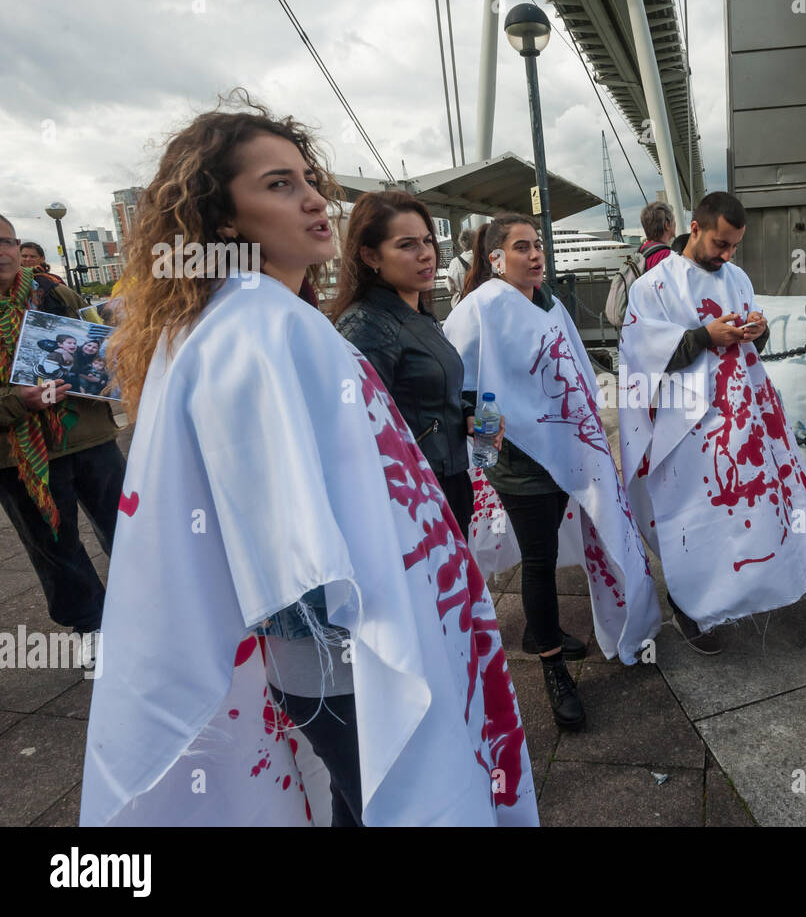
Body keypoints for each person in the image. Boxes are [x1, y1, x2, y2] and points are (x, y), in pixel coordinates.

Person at [81, 91, 536, 827]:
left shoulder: (242, 317)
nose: (313, 199)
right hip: (351, 663)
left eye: (307, 178)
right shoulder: (255, 327)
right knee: (404, 803)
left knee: (357, 805)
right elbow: (281, 544)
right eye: (278, 184)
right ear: (223, 218)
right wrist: (382, 637)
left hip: (335, 660)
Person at [445, 214, 660, 732]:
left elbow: (576, 372)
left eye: (538, 245)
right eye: (523, 247)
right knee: (539, 561)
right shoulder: (480, 308)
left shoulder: (551, 302)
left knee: (551, 552)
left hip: (565, 450)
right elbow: (467, 387)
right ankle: (552, 666)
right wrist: (489, 451)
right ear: (495, 257)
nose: (537, 254)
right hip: (521, 463)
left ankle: (543, 634)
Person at [618, 191, 806, 655]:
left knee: (747, 510)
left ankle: (747, 590)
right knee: (695, 517)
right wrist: (704, 336)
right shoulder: (653, 286)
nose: (727, 255)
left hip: (744, 415)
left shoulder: (736, 277)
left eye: (735, 245)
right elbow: (642, 358)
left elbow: (750, 340)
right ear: (694, 229)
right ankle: (692, 604)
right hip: (687, 425)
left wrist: (758, 329)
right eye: (720, 243)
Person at [332, 192, 498, 537]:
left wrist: (466, 412)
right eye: (407, 245)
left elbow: (427, 390)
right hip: (415, 495)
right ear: (370, 255)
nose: (426, 254)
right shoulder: (365, 326)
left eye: (427, 241)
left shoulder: (417, 313)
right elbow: (357, 429)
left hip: (446, 477)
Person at [0, 215, 124, 637]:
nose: (2, 252)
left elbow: (98, 347)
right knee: (56, 551)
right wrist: (20, 400)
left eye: (6, 241)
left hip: (90, 436)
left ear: (18, 247)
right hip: (20, 456)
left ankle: (152, 611)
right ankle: (94, 629)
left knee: (129, 530)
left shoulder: (53, 293)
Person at [604, 200, 675, 327]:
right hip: (659, 328)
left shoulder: (641, 252)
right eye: (673, 221)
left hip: (639, 325)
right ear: (667, 225)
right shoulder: (668, 258)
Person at [444, 226, 476, 307]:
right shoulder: (483, 259)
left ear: (461, 243)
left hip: (462, 304)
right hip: (480, 302)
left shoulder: (455, 262)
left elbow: (450, 287)